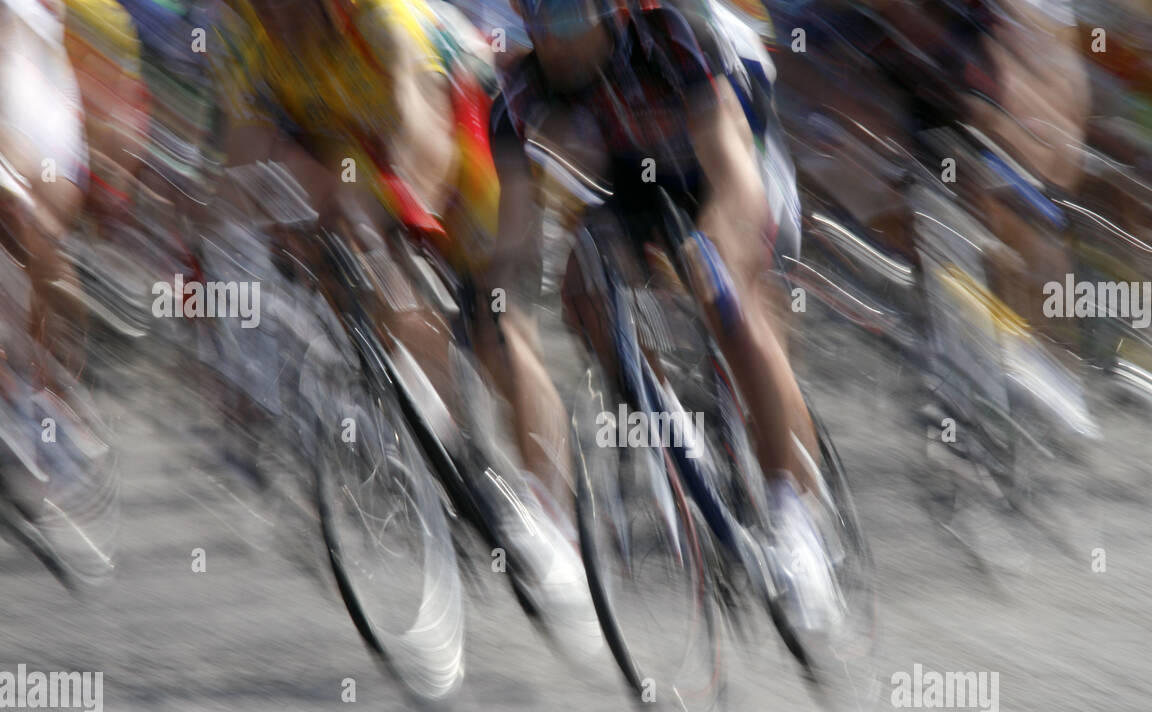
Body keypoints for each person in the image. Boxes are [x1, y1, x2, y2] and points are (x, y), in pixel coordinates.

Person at [209, 0, 603, 650]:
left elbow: (424, 141)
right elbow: (245, 157)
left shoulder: (379, 17)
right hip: (350, 145)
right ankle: (436, 438)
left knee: (497, 330)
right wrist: (231, 246)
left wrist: (398, 223)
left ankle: (553, 529)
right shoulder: (240, 35)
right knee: (347, 254)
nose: (274, 16)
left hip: (465, 129)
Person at [484, 0, 841, 631]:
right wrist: (498, 310)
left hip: (726, 150)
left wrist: (715, 259)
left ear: (612, 13)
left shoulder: (676, 36)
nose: (554, 39)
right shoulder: (520, 92)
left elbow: (737, 185)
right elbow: (513, 249)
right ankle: (670, 423)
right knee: (580, 289)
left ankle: (797, 523)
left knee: (730, 295)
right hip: (634, 170)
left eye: (569, 19)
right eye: (539, 20)